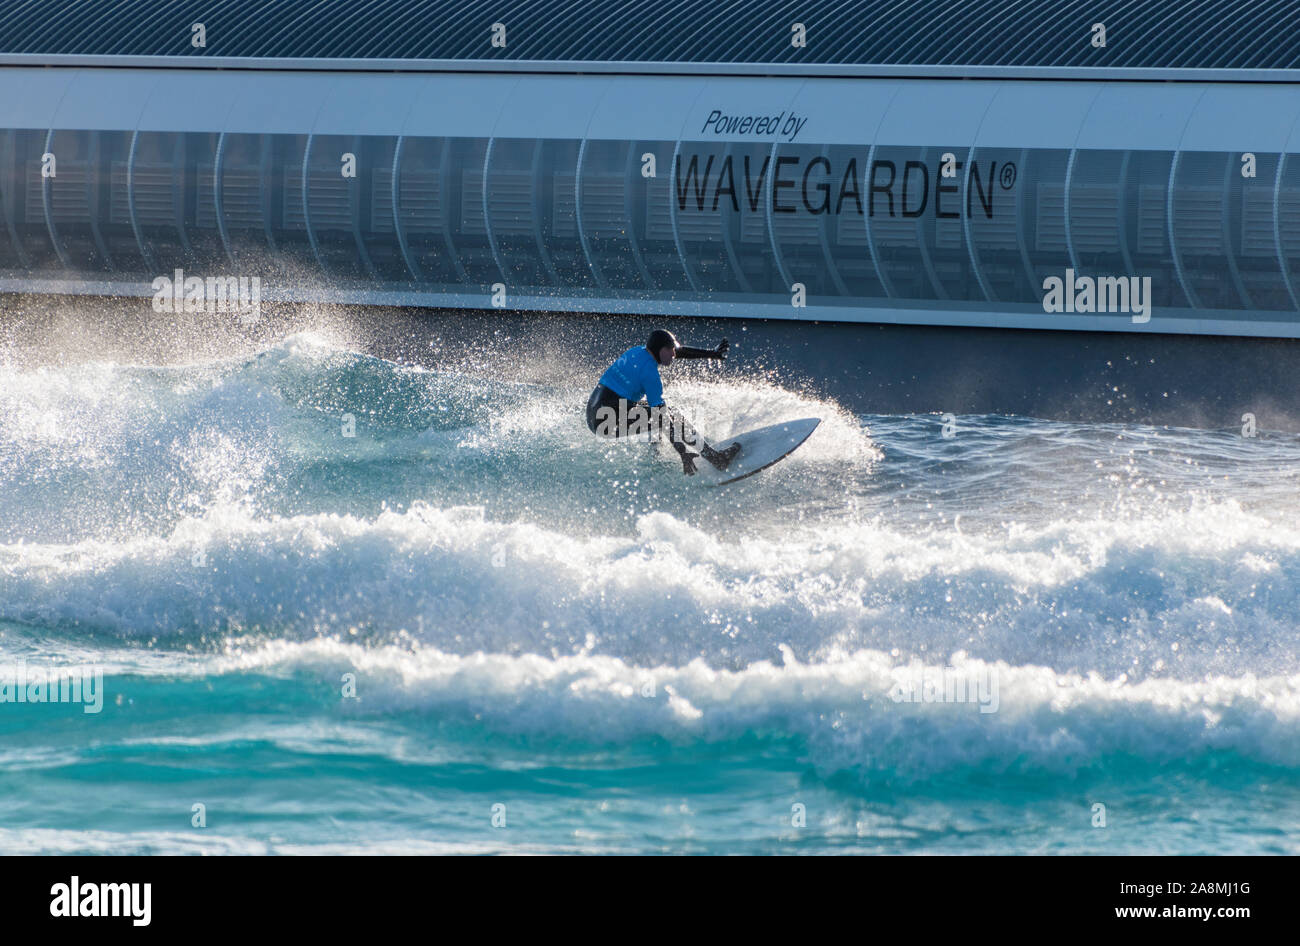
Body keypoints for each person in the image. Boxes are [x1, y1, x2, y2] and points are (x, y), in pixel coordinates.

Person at [586, 329, 741, 475]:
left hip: (595, 411)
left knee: (661, 411)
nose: (674, 354)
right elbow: (661, 417)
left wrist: (712, 354)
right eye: (671, 350)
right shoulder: (650, 374)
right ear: (661, 350)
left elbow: (679, 352)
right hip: (606, 421)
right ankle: (716, 459)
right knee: (667, 414)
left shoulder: (639, 351)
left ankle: (655, 456)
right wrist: (683, 452)